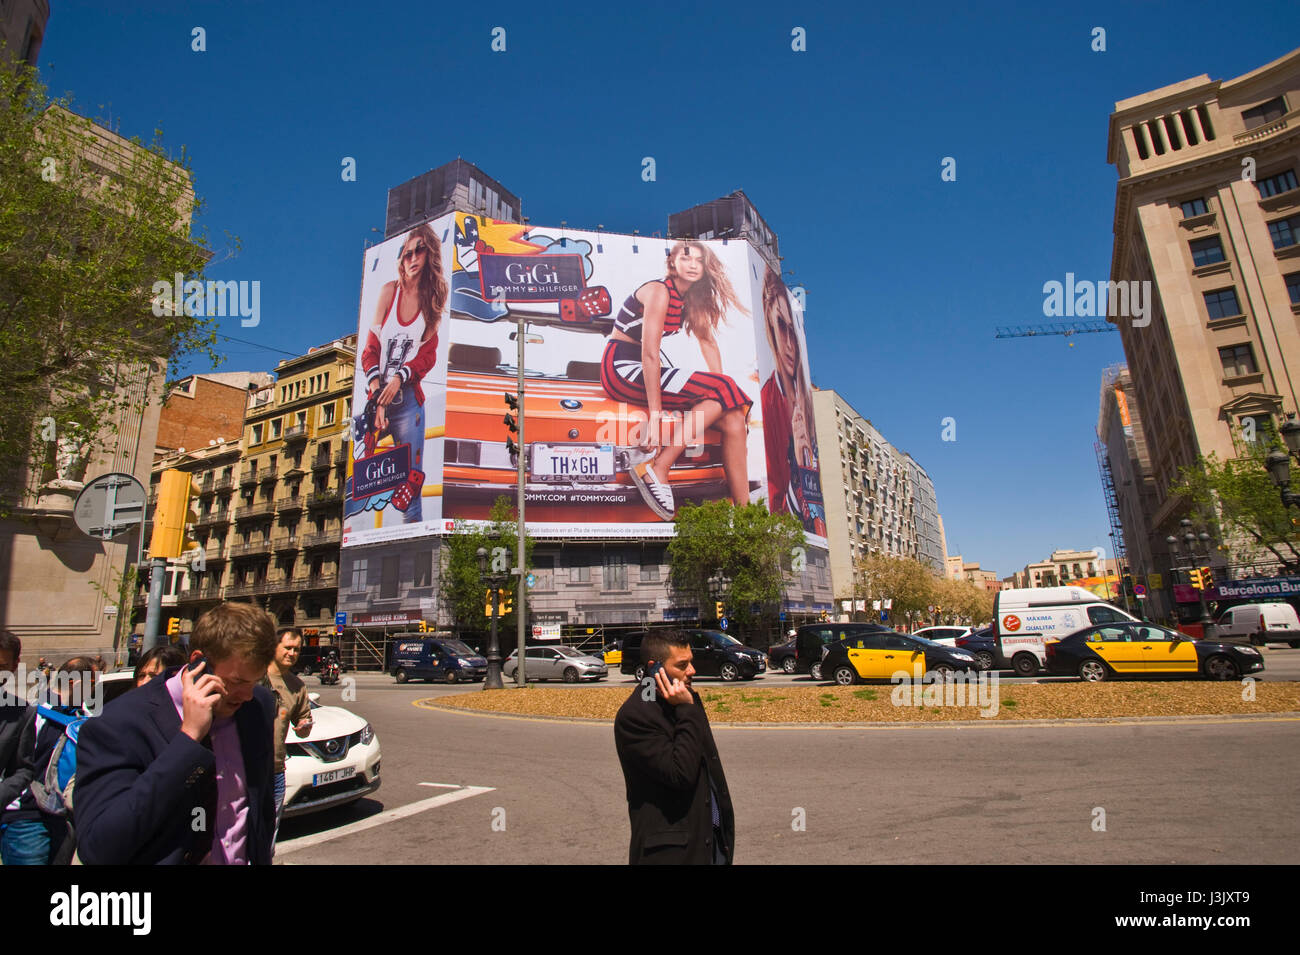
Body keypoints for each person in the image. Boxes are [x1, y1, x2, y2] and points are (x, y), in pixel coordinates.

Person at [74, 602, 279, 865]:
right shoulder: (118, 724)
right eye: (237, 681)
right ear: (198, 662)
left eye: (256, 681)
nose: (247, 694)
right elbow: (99, 848)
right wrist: (188, 740)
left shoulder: (257, 705)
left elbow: (259, 806)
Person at [600, 241, 752, 520]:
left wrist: (722, 401)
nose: (693, 264)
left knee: (733, 419)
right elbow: (649, 353)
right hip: (622, 366)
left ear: (706, 268)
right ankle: (659, 468)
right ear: (672, 264)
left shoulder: (692, 301)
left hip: (644, 365)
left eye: (699, 260)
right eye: (686, 258)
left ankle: (746, 517)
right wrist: (656, 417)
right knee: (724, 389)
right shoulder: (659, 291)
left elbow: (707, 342)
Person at [613, 630, 734, 865]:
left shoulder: (683, 698)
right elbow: (681, 774)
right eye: (682, 665)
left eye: (691, 662)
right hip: (672, 855)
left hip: (710, 844)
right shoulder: (637, 716)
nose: (692, 671)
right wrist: (687, 710)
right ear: (654, 668)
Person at [358, 222, 448, 523]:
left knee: (409, 486)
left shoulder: (433, 300)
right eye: (407, 252)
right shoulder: (388, 292)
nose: (412, 258)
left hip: (408, 401)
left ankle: (411, 544)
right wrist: (377, 395)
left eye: (419, 250)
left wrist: (399, 378)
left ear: (429, 255)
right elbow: (370, 348)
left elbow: (427, 355)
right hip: (376, 395)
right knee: (366, 474)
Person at [0, 656, 97, 865]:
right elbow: (17, 766)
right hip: (26, 817)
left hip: (63, 817)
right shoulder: (33, 714)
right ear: (76, 683)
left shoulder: (84, 718)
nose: (94, 690)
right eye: (92, 683)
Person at [759, 266, 825, 536]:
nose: (789, 344)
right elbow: (774, 512)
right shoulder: (767, 404)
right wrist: (798, 462)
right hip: (787, 543)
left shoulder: (807, 403)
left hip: (814, 543)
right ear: (770, 330)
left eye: (792, 331)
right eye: (780, 327)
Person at [262, 628, 313, 845]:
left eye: (297, 650)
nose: (292, 653)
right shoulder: (254, 675)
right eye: (287, 648)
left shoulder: (297, 686)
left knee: (268, 834)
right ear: (274, 646)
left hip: (275, 770)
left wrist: (304, 727)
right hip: (245, 768)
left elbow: (304, 721)